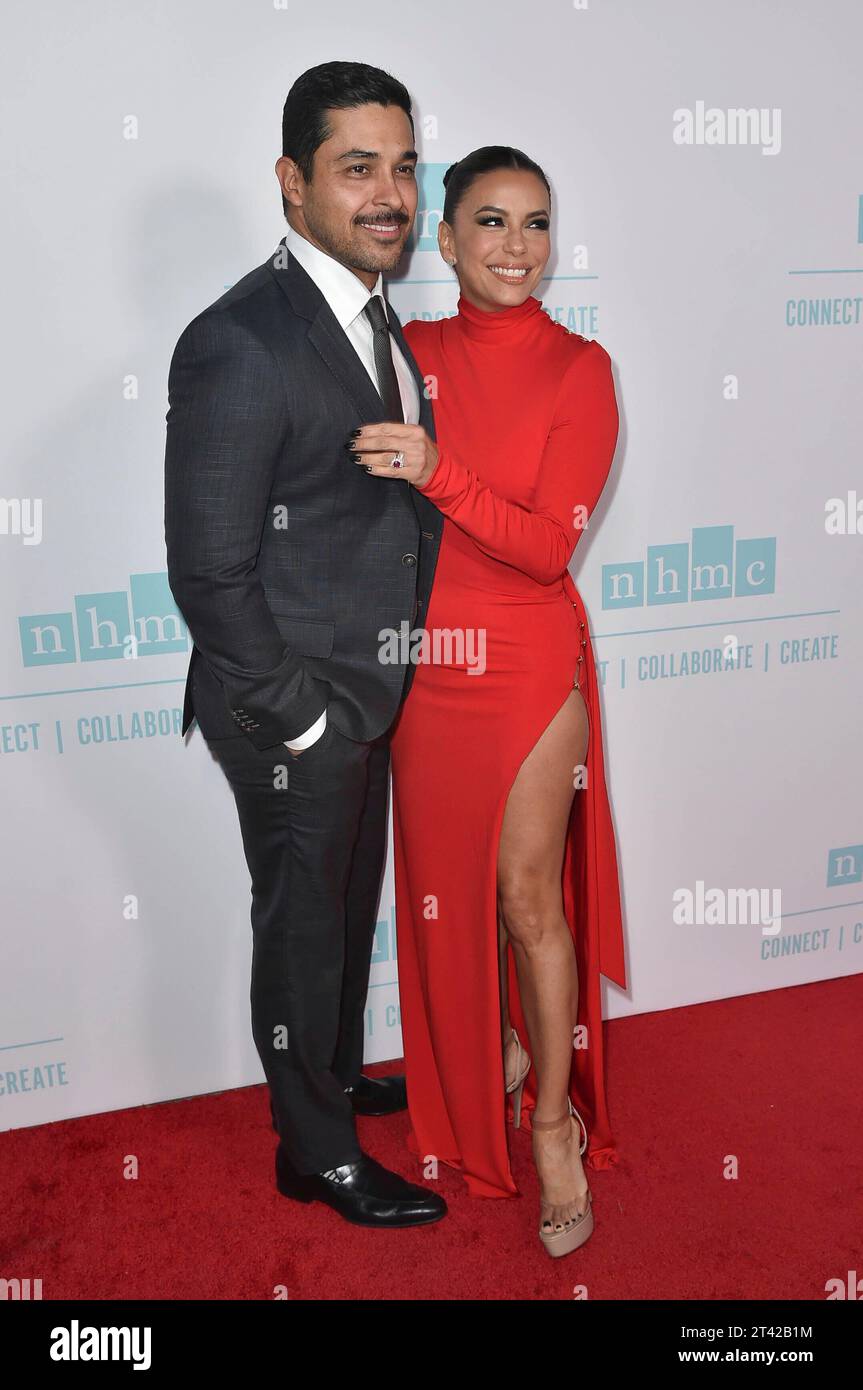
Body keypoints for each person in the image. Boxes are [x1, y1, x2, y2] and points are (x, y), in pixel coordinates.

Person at [163, 61, 446, 1230]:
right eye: (356, 168)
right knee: (302, 919)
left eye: (402, 165)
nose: (390, 193)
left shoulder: (372, 313)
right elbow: (209, 570)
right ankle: (312, 1153)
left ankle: (324, 1081)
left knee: (343, 899)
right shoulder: (240, 339)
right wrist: (305, 716)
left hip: (362, 685)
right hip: (289, 702)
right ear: (291, 182)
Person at [350, 146, 626, 1256]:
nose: (517, 247)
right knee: (442, 897)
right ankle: (490, 1062)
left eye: (536, 224)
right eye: (491, 223)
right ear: (446, 239)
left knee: (524, 900)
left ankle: (550, 1123)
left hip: (523, 659)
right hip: (425, 665)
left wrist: (436, 470)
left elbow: (542, 547)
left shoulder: (581, 368)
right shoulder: (406, 354)